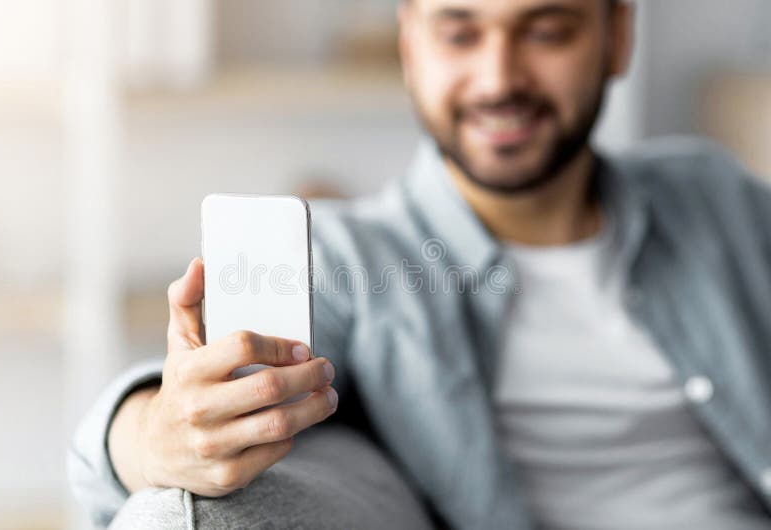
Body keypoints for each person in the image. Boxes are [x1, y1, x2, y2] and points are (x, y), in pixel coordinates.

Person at [69, 0, 771, 528]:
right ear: (410, 43)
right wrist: (156, 435)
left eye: (548, 31)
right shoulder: (346, 259)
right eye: (459, 33)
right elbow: (143, 436)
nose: (499, 78)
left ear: (618, 37)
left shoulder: (713, 197)